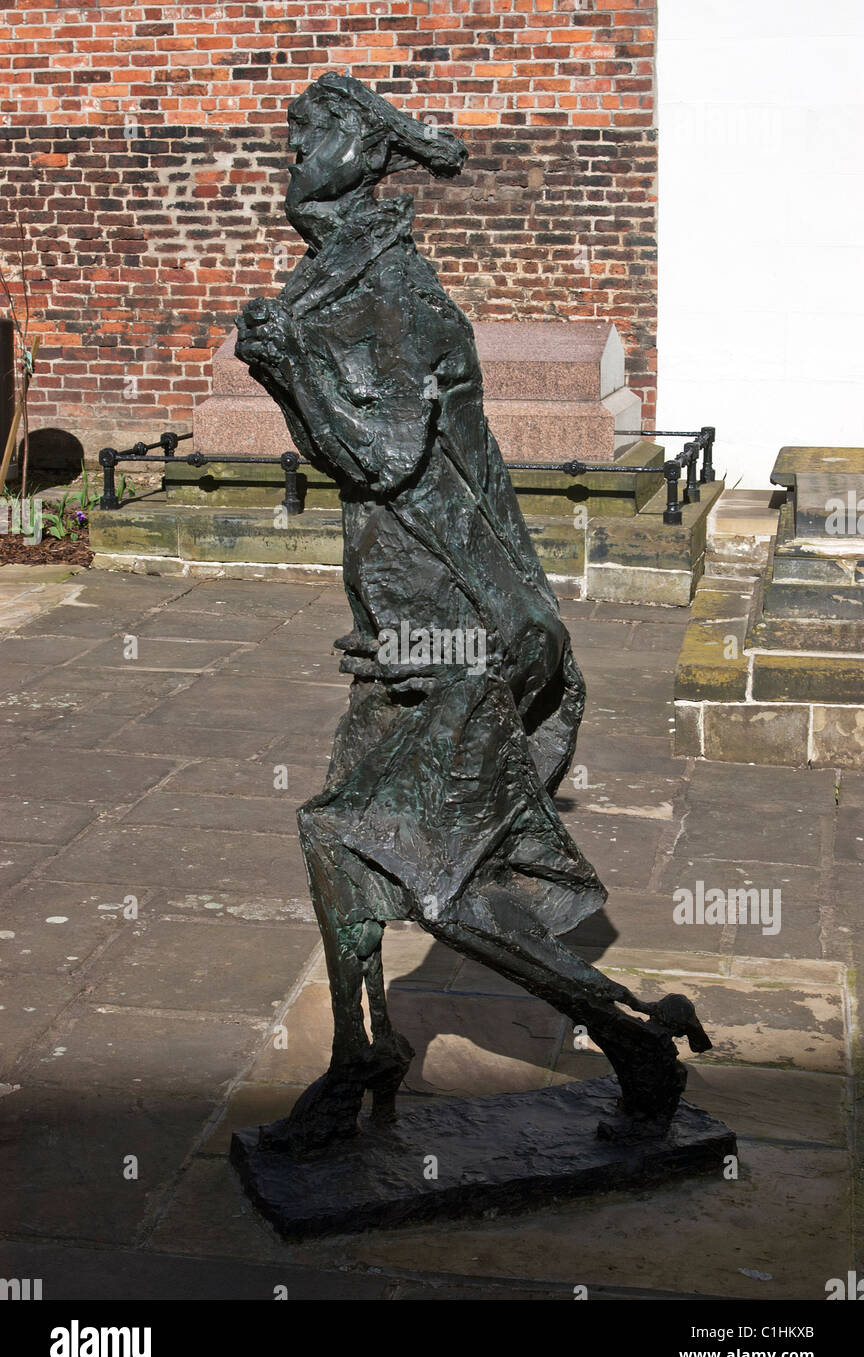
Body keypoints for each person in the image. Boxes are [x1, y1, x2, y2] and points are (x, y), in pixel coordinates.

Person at [235, 73, 710, 1153]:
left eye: (304, 138)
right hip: (414, 624)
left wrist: (284, 361)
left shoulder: (393, 297)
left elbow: (382, 454)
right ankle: (364, 1057)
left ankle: (632, 1037)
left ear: (356, 158)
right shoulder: (342, 286)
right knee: (341, 842)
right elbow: (356, 461)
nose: (288, 159)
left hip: (464, 631)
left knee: (431, 874)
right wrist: (289, 364)